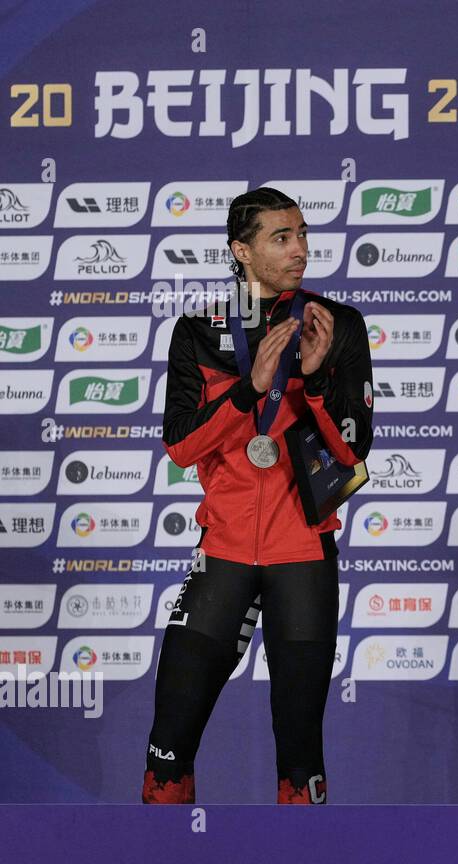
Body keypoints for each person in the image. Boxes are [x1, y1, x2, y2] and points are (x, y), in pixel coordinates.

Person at [142, 187, 374, 804]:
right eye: (281, 237)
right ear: (240, 251)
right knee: (168, 746)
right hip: (224, 550)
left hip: (304, 551)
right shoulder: (198, 331)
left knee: (301, 753)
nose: (301, 249)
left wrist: (318, 378)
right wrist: (250, 390)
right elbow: (182, 447)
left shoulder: (336, 324)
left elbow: (353, 453)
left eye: (302, 233)